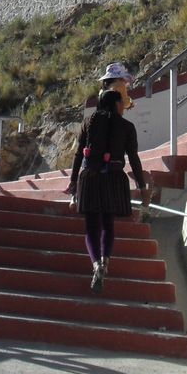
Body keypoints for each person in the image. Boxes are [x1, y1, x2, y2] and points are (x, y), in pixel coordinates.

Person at [65, 89, 150, 294]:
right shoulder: (127, 127)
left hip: (90, 179)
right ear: (115, 104)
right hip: (113, 179)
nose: (123, 106)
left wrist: (73, 182)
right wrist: (141, 184)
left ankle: (95, 265)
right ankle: (105, 261)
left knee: (92, 227)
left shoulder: (89, 122)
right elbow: (134, 159)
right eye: (122, 103)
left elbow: (79, 155)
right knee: (108, 225)